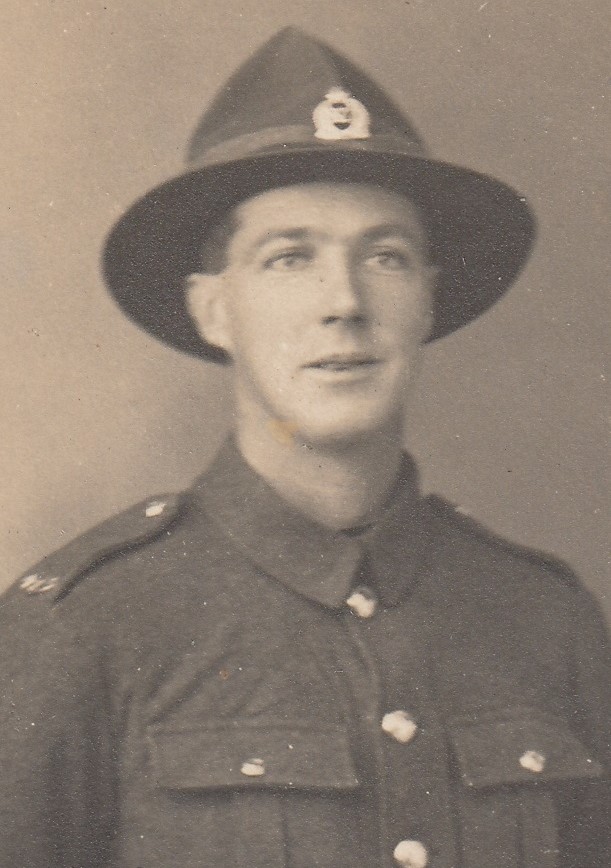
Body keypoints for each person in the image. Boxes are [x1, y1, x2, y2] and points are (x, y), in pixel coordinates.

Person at [0, 27, 608, 868]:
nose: (344, 303)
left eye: (386, 258)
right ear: (213, 310)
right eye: (289, 259)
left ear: (426, 301)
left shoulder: (546, 623)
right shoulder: (83, 628)